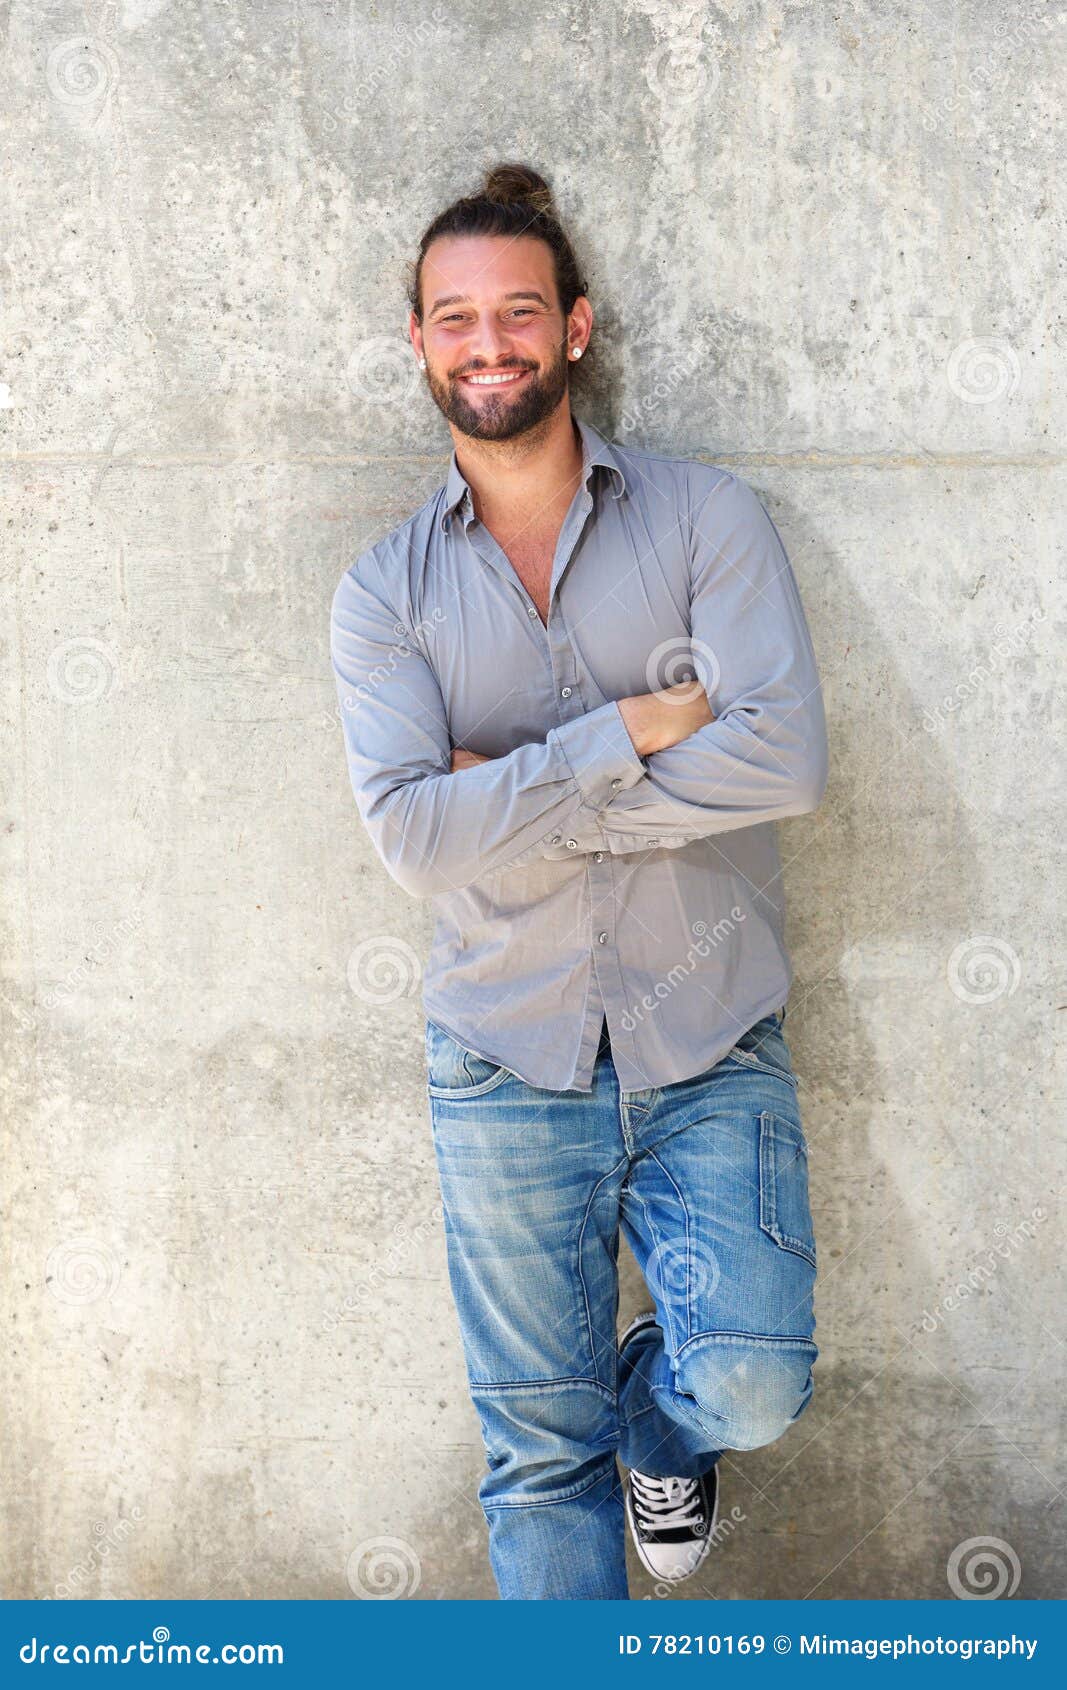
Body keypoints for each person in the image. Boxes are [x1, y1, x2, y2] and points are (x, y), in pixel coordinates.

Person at [330, 162, 829, 1600]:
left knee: (748, 1384)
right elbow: (414, 841)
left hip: (710, 1033)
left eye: (520, 313)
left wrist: (522, 788)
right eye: (456, 318)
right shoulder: (384, 592)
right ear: (418, 342)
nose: (491, 344)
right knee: (537, 1458)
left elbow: (784, 760)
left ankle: (657, 1408)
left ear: (578, 327)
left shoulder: (704, 520)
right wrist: (623, 737)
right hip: (503, 1055)